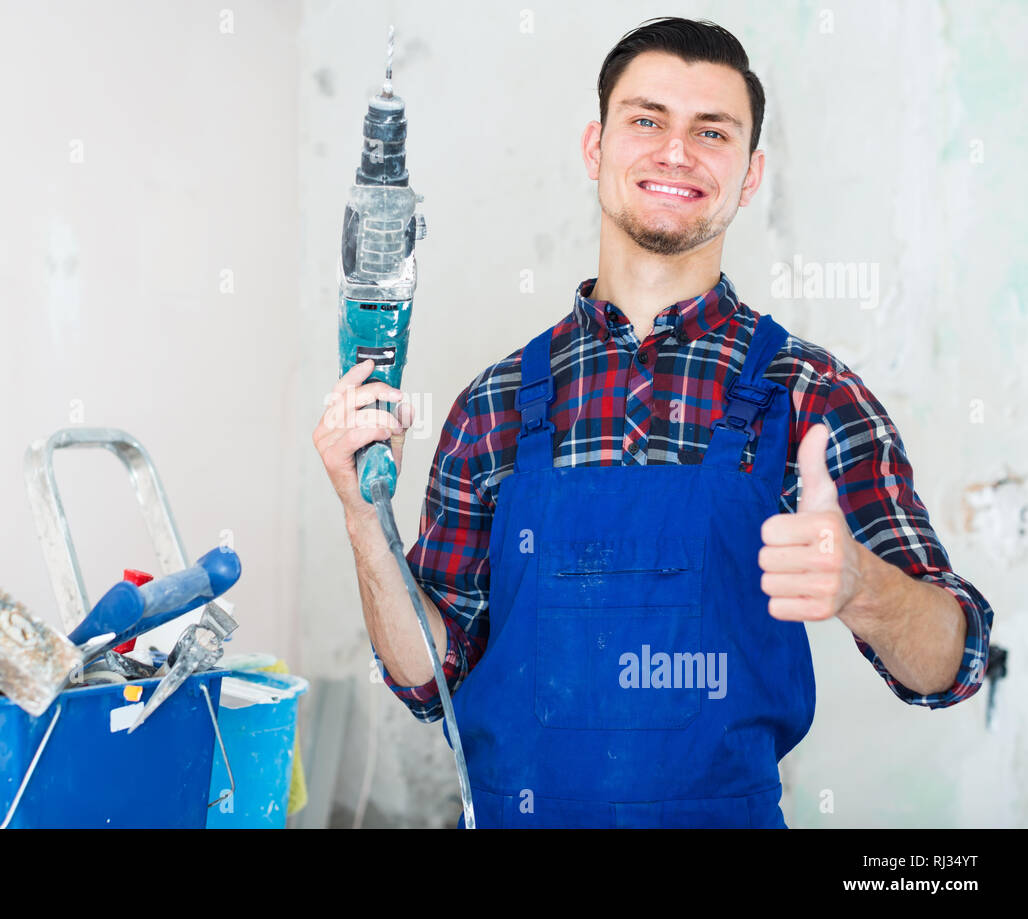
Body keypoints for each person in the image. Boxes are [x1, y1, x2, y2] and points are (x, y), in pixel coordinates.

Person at [312, 16, 995, 828]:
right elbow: (428, 678)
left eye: (712, 131)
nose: (677, 152)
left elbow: (951, 664)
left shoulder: (809, 393)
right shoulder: (493, 404)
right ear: (595, 148)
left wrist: (861, 586)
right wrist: (362, 514)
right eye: (647, 120)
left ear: (750, 174)